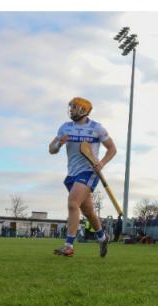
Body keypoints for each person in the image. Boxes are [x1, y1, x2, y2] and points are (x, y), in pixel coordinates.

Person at [49, 97, 116, 257]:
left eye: (74, 107)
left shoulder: (97, 128)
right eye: (71, 107)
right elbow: (51, 149)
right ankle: (102, 237)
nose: (71, 110)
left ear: (83, 110)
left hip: (89, 171)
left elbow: (112, 149)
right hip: (72, 174)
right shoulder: (65, 127)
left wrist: (102, 163)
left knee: (73, 203)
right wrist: (59, 144)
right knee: (88, 211)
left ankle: (69, 245)